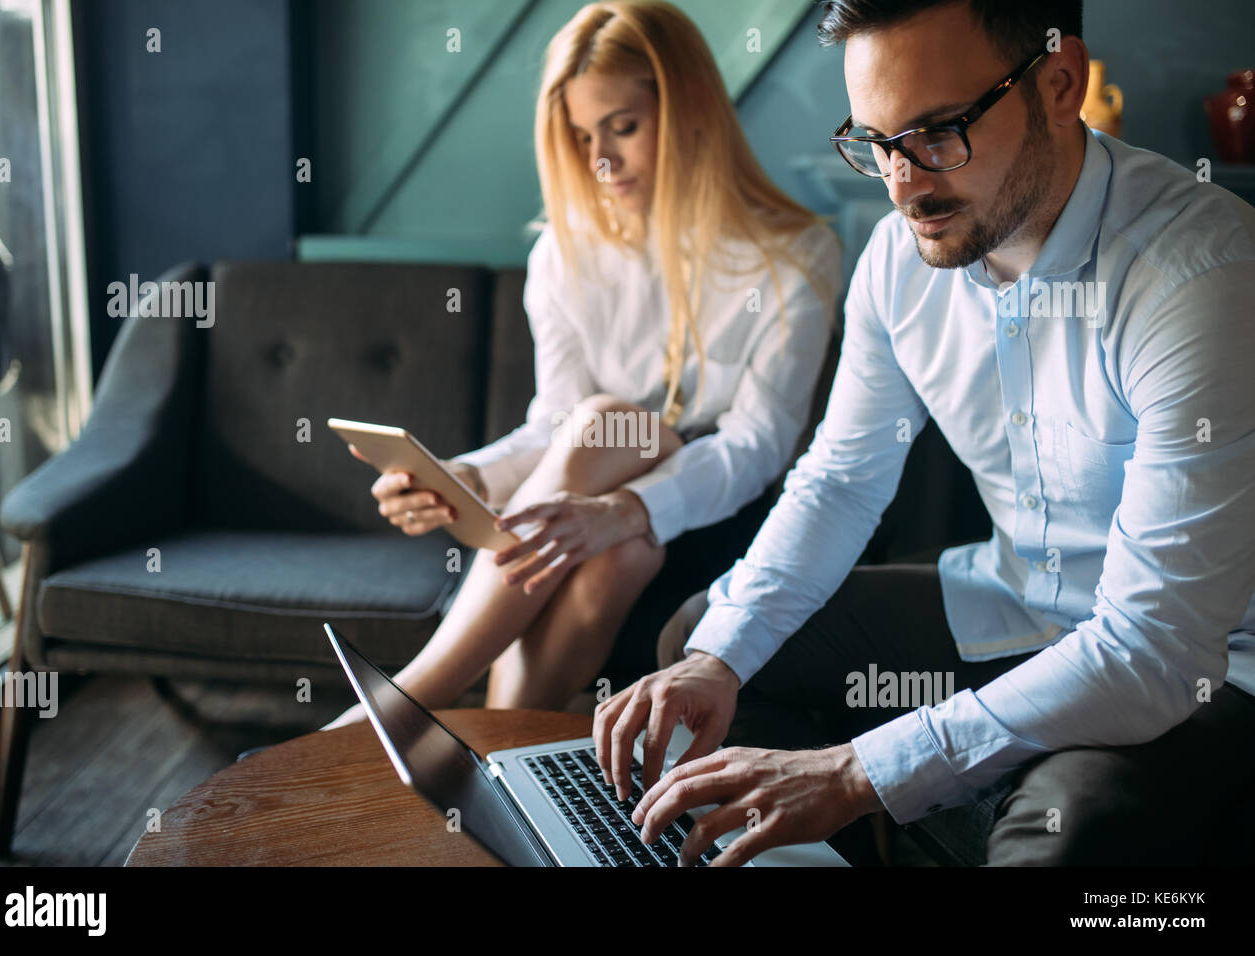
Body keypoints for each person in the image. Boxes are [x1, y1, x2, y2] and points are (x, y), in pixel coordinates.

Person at [596, 0, 1255, 867]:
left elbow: (1150, 647)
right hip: (1019, 605)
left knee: (1064, 840)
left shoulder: (1199, 276)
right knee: (704, 643)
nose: (902, 182)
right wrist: (719, 658)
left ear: (1061, 84)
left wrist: (854, 771)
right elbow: (840, 482)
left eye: (939, 132)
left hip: (1203, 665)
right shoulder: (896, 263)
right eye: (874, 141)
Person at [328, 0, 840, 721]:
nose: (601, 161)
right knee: (613, 539)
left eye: (624, 128)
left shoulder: (797, 255)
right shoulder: (563, 255)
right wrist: (465, 478)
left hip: (724, 521)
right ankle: (495, 756)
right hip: (598, 529)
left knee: (609, 432)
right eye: (581, 136)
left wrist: (625, 508)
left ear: (690, 108)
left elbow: (757, 447)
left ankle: (410, 700)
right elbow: (553, 428)